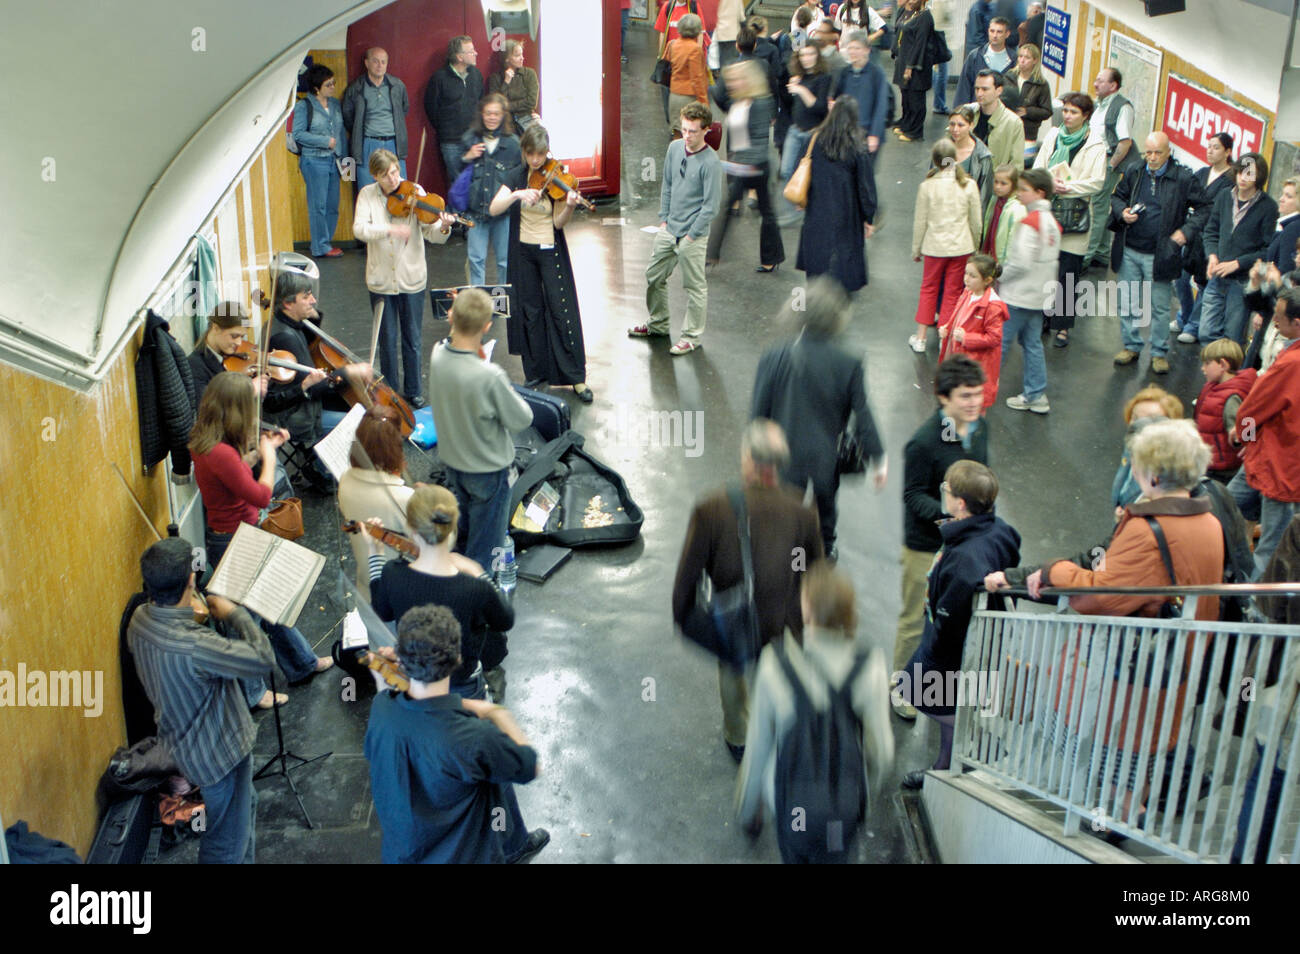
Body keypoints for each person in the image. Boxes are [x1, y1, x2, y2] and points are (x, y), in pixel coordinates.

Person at [986, 419, 1225, 816]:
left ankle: (1102, 820)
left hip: (1128, 677)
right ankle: (1121, 818)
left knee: (1111, 759)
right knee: (1136, 764)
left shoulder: (1151, 529)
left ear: (1152, 474)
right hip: (1175, 664)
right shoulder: (1208, 522)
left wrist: (1053, 572)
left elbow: (1100, 596)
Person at [671, 420, 824, 761]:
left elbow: (686, 582)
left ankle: (739, 737)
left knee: (732, 672)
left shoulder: (712, 509)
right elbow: (816, 572)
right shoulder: (801, 510)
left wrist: (689, 622)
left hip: (735, 620)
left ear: (749, 460)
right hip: (786, 624)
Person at [734, 560, 894, 863]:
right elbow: (882, 751)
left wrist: (748, 808)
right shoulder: (870, 664)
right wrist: (861, 796)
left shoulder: (775, 664)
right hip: (842, 809)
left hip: (791, 806)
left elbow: (758, 749)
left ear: (807, 611)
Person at [363, 604, 548, 863]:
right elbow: (530, 767)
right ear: (457, 660)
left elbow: (422, 712)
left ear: (400, 655)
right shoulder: (475, 737)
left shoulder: (382, 707)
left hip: (402, 853)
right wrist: (499, 714)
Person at [129, 538, 276, 863]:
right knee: (227, 842)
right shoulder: (197, 646)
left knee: (243, 809)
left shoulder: (139, 619)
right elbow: (262, 658)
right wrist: (235, 614)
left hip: (188, 746)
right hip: (220, 753)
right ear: (191, 582)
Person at [188, 372, 334, 693]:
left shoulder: (207, 442)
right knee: (249, 622)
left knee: (271, 604)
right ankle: (254, 693)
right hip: (236, 539)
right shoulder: (220, 452)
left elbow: (236, 473)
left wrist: (263, 450)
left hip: (236, 533)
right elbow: (261, 495)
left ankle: (301, 664)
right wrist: (269, 457)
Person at [898, 460, 1020, 788]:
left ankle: (976, 743)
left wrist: (933, 653)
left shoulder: (965, 559)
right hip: (984, 641)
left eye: (947, 491)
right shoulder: (998, 530)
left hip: (953, 648)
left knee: (912, 690)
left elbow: (950, 620)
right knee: (952, 698)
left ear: (960, 504)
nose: (944, 495)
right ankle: (945, 764)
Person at [751, 277, 887, 557]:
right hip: (827, 455)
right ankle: (824, 549)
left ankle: (784, 549)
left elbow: (758, 410)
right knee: (825, 503)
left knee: (784, 503)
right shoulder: (849, 362)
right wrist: (878, 457)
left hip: (783, 453)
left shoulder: (774, 356)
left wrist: (756, 452)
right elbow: (863, 412)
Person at [891, 355, 989, 719]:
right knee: (914, 617)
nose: (975, 402)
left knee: (952, 619)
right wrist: (948, 514)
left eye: (977, 394)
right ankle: (901, 687)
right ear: (944, 398)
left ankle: (937, 686)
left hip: (964, 544)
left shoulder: (981, 429)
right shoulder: (923, 443)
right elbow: (912, 494)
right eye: (965, 396)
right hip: (924, 545)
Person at [366, 484, 514, 702]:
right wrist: (480, 573)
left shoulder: (392, 573)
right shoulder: (475, 588)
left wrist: (374, 552)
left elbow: (383, 612)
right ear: (453, 529)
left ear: (411, 530)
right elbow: (505, 620)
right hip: (463, 683)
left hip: (418, 680)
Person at [428, 288, 533, 572]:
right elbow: (522, 418)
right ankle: (481, 600)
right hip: (488, 472)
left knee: (461, 539)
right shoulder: (490, 376)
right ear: (487, 326)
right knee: (486, 549)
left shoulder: (437, 355)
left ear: (452, 318)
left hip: (453, 466)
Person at [489, 124, 593, 402]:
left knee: (561, 310)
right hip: (523, 252)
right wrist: (516, 195)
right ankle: (535, 372)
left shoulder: (558, 179)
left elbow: (559, 222)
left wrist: (570, 204)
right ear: (524, 152)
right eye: (531, 154)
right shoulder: (516, 176)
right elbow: (493, 208)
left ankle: (576, 377)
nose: (536, 160)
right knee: (530, 311)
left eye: (541, 154)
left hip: (549, 250)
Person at [353, 148, 454, 407]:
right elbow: (359, 229)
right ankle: (391, 393)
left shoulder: (415, 191)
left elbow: (433, 234)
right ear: (375, 176)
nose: (394, 179)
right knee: (387, 341)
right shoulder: (366, 195)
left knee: (412, 338)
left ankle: (414, 390)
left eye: (396, 171)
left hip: (412, 279)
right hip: (381, 281)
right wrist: (390, 229)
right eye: (386, 175)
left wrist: (443, 226)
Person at [264, 270, 373, 492]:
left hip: (304, 403)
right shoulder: (284, 337)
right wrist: (348, 372)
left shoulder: (290, 324)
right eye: (306, 296)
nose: (313, 300)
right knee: (362, 423)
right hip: (297, 415)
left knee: (354, 404)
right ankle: (322, 468)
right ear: (287, 303)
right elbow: (311, 388)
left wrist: (313, 316)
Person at [1109, 131, 1208, 374]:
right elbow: (1117, 196)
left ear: (1168, 152)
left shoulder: (1183, 178)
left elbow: (1206, 207)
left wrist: (1185, 232)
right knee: (1127, 303)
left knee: (1160, 307)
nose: (1152, 158)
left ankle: (1159, 352)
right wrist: (1123, 212)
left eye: (1157, 153)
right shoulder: (1135, 170)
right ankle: (1131, 345)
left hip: (1161, 254)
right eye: (1148, 152)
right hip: (1130, 249)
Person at [629, 101, 721, 357]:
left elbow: (710, 206)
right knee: (654, 276)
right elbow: (667, 184)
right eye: (684, 130)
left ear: (706, 131)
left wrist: (691, 235)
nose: (687, 136)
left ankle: (691, 337)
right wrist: (664, 220)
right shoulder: (674, 148)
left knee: (694, 287)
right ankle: (658, 323)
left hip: (692, 235)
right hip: (670, 228)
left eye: (692, 131)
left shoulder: (711, 163)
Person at [1227, 287, 1300, 577]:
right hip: (1279, 461)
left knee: (1272, 546)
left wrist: (1242, 437)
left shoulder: (1291, 363)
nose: (1274, 323)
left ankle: (1252, 606)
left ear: (1297, 323)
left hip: (1278, 466)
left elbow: (1252, 410)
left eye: (1279, 318)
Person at [1033, 91, 1106, 348]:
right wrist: (1048, 182)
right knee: (1046, 268)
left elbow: (1097, 181)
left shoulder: (1095, 144)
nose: (1067, 116)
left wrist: (1070, 186)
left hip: (1076, 216)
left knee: (1068, 273)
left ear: (1086, 116)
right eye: (1065, 110)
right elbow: (1039, 166)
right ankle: (1042, 317)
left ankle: (1062, 326)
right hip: (1050, 212)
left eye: (1074, 112)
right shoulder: (1053, 135)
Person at [705, 60, 784, 273]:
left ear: (748, 81)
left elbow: (759, 138)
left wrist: (743, 164)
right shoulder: (738, 102)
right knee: (728, 208)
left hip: (757, 166)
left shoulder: (761, 104)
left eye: (737, 80)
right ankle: (711, 255)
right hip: (742, 164)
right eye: (731, 81)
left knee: (765, 212)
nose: (733, 85)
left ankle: (770, 257)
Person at [796, 96, 878, 294]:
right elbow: (865, 186)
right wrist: (869, 217)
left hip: (817, 208)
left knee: (817, 254)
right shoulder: (857, 145)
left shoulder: (813, 139)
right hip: (847, 212)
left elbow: (799, 168)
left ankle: (815, 297)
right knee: (844, 256)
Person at [910, 139, 983, 352]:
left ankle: (921, 338)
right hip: (962, 247)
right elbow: (976, 221)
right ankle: (946, 337)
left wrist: (916, 249)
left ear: (934, 160)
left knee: (929, 289)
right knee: (953, 292)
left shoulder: (927, 187)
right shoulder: (969, 185)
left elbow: (920, 222)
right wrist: (975, 246)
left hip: (934, 248)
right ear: (956, 158)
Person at [1200, 152, 1280, 346]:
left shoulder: (1268, 207)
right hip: (1217, 276)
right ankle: (1214, 372)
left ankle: (1229, 375)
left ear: (1258, 177)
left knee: (1233, 337)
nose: (1243, 178)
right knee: (1206, 332)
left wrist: (1237, 264)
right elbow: (1211, 231)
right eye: (1241, 172)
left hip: (1242, 281)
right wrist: (1212, 256)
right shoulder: (1224, 196)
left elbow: (1267, 250)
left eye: (1250, 174)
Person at [337, 407, 415, 602]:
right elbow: (439, 543)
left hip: (367, 587)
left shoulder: (345, 481)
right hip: (404, 593)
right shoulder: (405, 498)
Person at [999, 167, 1060, 414]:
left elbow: (1020, 263)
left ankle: (979, 390)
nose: (1020, 194)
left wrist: (1000, 275)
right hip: (1039, 296)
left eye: (1025, 190)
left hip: (1018, 295)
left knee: (998, 343)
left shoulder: (1029, 223)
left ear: (1039, 193)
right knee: (1032, 343)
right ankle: (1036, 393)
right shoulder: (1052, 223)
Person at [1172, 133, 1235, 344]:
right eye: (1208, 146)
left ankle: (1193, 324)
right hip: (1193, 232)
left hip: (1213, 237)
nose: (1210, 151)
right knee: (1179, 276)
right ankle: (1185, 316)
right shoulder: (1201, 173)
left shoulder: (1231, 181)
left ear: (1228, 152)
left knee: (1204, 282)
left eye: (1216, 147)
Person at [461, 93, 522, 288]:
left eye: (496, 113)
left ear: (504, 115)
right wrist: (468, 156)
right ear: (482, 114)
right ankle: (478, 304)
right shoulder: (470, 138)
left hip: (503, 213)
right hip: (475, 212)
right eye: (488, 113)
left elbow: (519, 177)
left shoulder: (513, 143)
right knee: (475, 260)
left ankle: (501, 303)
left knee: (504, 261)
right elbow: (456, 174)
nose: (492, 117)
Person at [1084, 67, 1139, 271]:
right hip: (1096, 159)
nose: (1095, 84)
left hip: (1107, 163)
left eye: (1100, 81)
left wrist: (1110, 166)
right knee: (1102, 206)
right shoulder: (1099, 105)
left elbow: (1124, 142)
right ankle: (1101, 252)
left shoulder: (1122, 108)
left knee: (1097, 208)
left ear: (1113, 85)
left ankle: (1086, 257)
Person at [938, 254, 1007, 411]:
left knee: (975, 405)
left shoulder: (993, 306)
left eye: (972, 276)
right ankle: (955, 431)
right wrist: (948, 328)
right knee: (957, 397)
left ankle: (972, 433)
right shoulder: (968, 292)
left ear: (987, 280)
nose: (966, 279)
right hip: (961, 358)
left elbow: (994, 338)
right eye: (966, 273)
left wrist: (966, 338)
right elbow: (958, 313)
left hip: (978, 364)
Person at [292, 64, 348, 259]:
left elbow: (341, 134)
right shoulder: (304, 106)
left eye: (333, 83)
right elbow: (298, 134)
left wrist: (347, 165)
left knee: (333, 205)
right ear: (316, 88)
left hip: (334, 160)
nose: (333, 87)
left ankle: (327, 241)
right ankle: (320, 246)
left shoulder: (334, 104)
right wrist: (325, 141)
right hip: (314, 161)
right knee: (319, 205)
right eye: (328, 84)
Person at [776, 41, 833, 225]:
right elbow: (788, 102)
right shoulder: (798, 76)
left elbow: (819, 107)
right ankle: (796, 206)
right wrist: (791, 86)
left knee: (811, 174)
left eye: (810, 54)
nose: (807, 59)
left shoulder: (824, 78)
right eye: (803, 55)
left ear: (817, 56)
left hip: (813, 133)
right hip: (795, 129)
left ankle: (808, 208)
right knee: (786, 170)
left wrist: (801, 90)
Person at [341, 47, 411, 191]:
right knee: (368, 188)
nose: (380, 65)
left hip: (394, 144)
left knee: (399, 189)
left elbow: (404, 108)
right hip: (367, 144)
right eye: (375, 61)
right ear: (366, 63)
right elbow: (348, 116)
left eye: (383, 62)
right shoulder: (356, 88)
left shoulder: (397, 85)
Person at [1110, 386, 1185, 513]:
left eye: (1151, 419)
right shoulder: (1132, 445)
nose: (1139, 425)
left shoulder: (1170, 471)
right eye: (1135, 418)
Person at [1194, 339, 1256, 486]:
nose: (1203, 368)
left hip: (1221, 468)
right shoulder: (1215, 387)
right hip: (1213, 461)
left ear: (1223, 365)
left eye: (1207, 364)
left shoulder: (1231, 397)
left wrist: (1240, 440)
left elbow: (1246, 434)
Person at [424, 36, 484, 184]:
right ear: (459, 57)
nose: (476, 53)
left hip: (474, 139)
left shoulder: (476, 75)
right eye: (471, 51)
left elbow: (481, 101)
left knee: (477, 183)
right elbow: (431, 108)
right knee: (458, 185)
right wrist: (447, 128)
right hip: (451, 142)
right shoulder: (439, 78)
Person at [830, 30, 890, 155]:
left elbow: (881, 105)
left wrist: (874, 134)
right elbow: (836, 99)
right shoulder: (844, 73)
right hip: (846, 133)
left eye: (857, 48)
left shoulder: (876, 74)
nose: (852, 52)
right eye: (850, 48)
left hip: (867, 134)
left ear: (867, 50)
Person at [892, 0, 935, 143]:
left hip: (917, 65)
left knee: (916, 99)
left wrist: (910, 66)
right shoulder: (912, 14)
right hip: (904, 59)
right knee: (907, 96)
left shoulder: (925, 17)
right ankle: (907, 125)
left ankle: (916, 132)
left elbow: (920, 43)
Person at [666, 13, 712, 136]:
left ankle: (675, 155)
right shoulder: (695, 49)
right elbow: (697, 78)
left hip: (674, 94)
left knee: (677, 132)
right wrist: (704, 101)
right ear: (697, 30)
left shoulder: (672, 44)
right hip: (689, 97)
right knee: (691, 135)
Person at [1005, 43, 1051, 163]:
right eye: (1020, 56)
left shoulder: (1041, 84)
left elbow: (1047, 111)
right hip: (1007, 129)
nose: (1022, 60)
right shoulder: (1009, 77)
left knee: (1023, 165)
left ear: (1035, 60)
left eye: (1027, 57)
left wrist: (1028, 112)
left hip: (1028, 133)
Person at [954, 16, 1013, 106]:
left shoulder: (1014, 59)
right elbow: (964, 87)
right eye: (992, 31)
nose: (995, 35)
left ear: (1007, 34)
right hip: (977, 111)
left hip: (1002, 114)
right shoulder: (975, 56)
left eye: (999, 32)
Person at [972, 70, 1023, 170]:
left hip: (994, 182)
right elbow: (947, 150)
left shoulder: (1013, 123)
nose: (979, 94)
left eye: (985, 89)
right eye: (977, 89)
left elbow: (1017, 165)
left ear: (999, 91)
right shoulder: (967, 112)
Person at [487, 40, 539, 132]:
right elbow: (496, 105)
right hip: (505, 122)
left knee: (537, 138)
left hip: (526, 119)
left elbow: (531, 102)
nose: (522, 58)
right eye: (517, 55)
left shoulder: (529, 74)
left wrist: (506, 106)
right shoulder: (495, 78)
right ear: (507, 58)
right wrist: (506, 82)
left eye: (522, 54)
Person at [981, 163, 1026, 262]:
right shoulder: (994, 200)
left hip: (1003, 261)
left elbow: (1013, 241)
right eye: (996, 182)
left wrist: (1006, 263)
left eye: (1003, 183)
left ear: (1014, 184)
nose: (998, 186)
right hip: (989, 255)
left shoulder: (1017, 208)